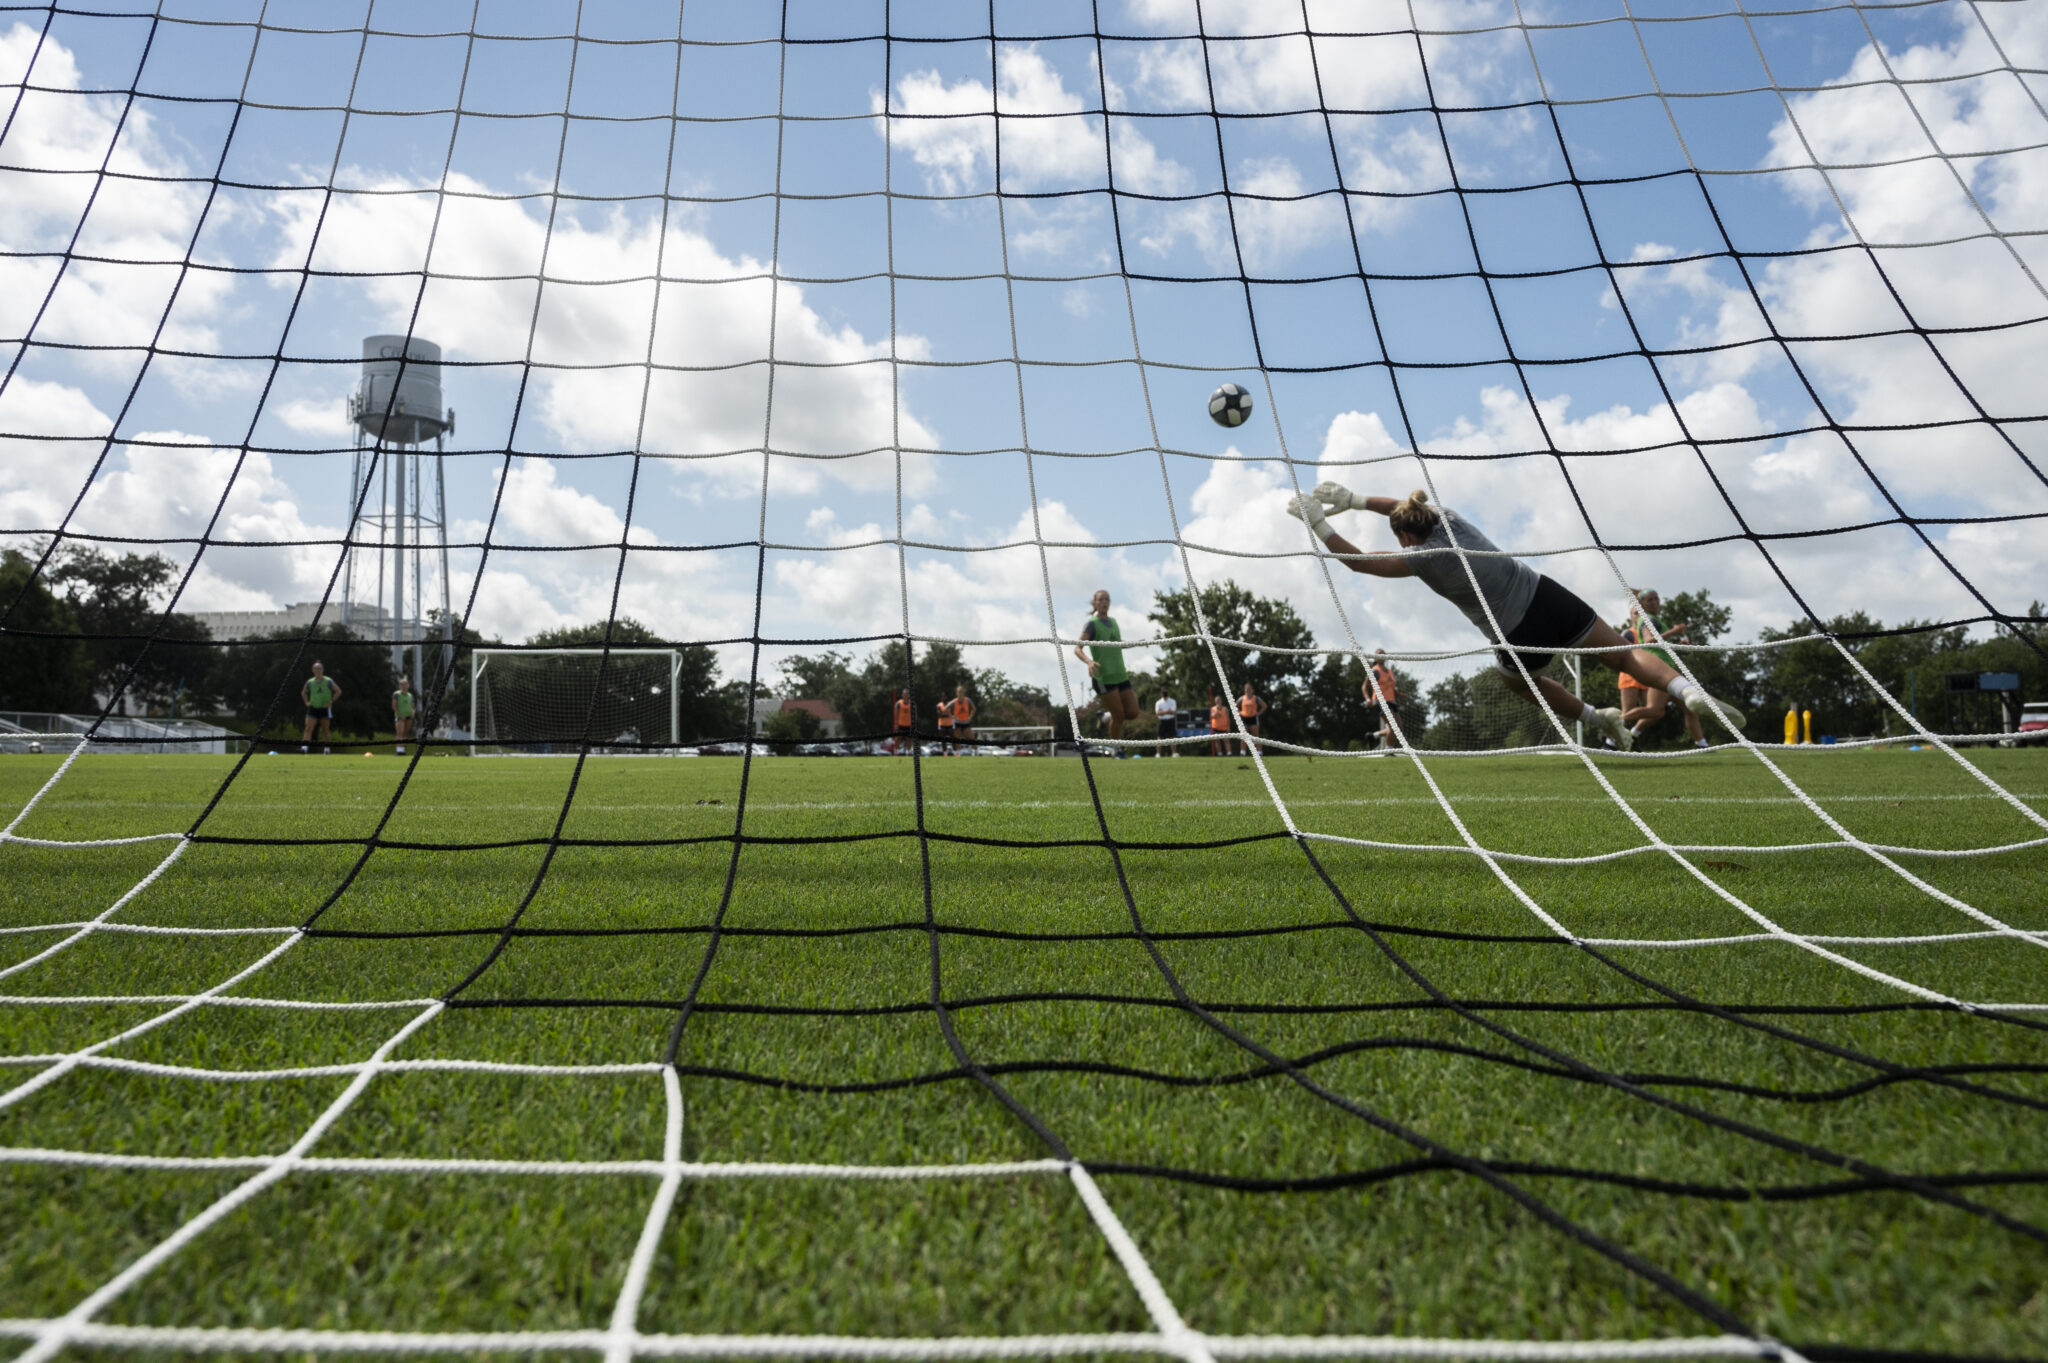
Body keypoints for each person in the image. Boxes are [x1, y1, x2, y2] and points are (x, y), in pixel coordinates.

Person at [1287, 485, 1743, 751]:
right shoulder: (1450, 519)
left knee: (1519, 684)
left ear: (1407, 535)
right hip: (1547, 594)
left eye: (1403, 537)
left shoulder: (1424, 557)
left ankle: (1596, 717)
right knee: (1623, 655)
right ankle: (1687, 690)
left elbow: (1361, 562)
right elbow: (1406, 509)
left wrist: (1321, 524)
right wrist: (1358, 499)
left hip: (1515, 631)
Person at [1620, 589, 1708, 749]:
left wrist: (1678, 644)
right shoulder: (1647, 620)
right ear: (1642, 605)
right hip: (1659, 669)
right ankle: (1617, 725)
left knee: (1690, 708)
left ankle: (1702, 745)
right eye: (1650, 600)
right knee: (1655, 711)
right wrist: (1674, 631)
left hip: (1668, 667)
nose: (1655, 603)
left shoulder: (1653, 619)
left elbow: (1660, 647)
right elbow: (1649, 641)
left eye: (1656, 599)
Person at [1074, 589, 1139, 755]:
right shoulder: (1092, 624)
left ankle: (1105, 717)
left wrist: (1135, 643)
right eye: (1101, 599)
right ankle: (1116, 750)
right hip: (1104, 678)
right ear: (1095, 603)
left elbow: (1116, 644)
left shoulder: (1114, 622)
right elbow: (1077, 648)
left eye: (1107, 599)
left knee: (1132, 713)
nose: (1104, 602)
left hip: (1121, 676)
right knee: (1119, 716)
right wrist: (1089, 661)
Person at [1362, 649, 1401, 750]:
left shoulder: (1389, 671)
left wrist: (1400, 695)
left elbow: (1391, 687)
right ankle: (1388, 750)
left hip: (1391, 701)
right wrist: (1367, 699)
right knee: (1393, 725)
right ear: (1375, 658)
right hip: (1380, 701)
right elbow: (1364, 686)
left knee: (1399, 727)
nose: (1382, 656)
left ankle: (1373, 736)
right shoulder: (1374, 670)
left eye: (1383, 654)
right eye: (1379, 654)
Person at [301, 661, 341, 753]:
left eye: (319, 669)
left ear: (322, 670)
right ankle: (304, 748)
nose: (317, 671)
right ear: (312, 670)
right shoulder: (310, 682)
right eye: (315, 669)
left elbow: (338, 691)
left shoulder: (328, 681)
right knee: (308, 728)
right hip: (313, 707)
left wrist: (331, 701)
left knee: (325, 730)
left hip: (324, 708)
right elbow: (303, 693)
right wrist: (307, 702)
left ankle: (327, 748)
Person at [1236, 682, 1266, 754]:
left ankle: (1259, 752)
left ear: (1252, 690)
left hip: (1253, 718)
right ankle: (1242, 752)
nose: (1247, 690)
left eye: (1249, 689)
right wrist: (1239, 712)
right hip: (1244, 718)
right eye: (1246, 689)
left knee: (1255, 736)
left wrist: (1259, 713)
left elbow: (1264, 706)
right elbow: (1235, 706)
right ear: (1244, 690)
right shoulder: (1241, 698)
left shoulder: (1256, 698)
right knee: (1243, 735)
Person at [391, 674, 415, 756]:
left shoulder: (410, 695)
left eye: (406, 684)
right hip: (400, 716)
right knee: (399, 733)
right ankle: (398, 750)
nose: (405, 686)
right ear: (400, 686)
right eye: (403, 684)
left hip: (408, 716)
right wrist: (400, 715)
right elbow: (394, 706)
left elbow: (412, 706)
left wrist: (412, 713)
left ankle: (403, 750)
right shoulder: (396, 694)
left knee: (405, 733)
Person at [949, 685, 976, 753]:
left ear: (963, 692)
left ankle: (975, 752)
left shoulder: (967, 700)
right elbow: (946, 709)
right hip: (957, 722)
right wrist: (951, 716)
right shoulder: (954, 701)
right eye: (959, 692)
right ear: (956, 693)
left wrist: (970, 717)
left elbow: (974, 709)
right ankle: (959, 753)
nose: (960, 693)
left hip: (966, 722)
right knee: (957, 739)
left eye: (961, 691)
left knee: (971, 738)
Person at [1154, 691, 1179, 756]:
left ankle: (1174, 753)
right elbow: (1158, 713)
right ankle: (1158, 754)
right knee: (1159, 737)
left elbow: (1173, 712)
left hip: (1170, 720)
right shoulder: (1158, 702)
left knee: (1172, 737)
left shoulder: (1172, 701)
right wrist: (1167, 711)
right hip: (1162, 721)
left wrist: (1162, 712)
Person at [892, 688, 914, 755]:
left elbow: (915, 714)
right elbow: (896, 714)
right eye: (904, 694)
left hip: (909, 724)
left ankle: (908, 752)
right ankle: (896, 751)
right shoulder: (898, 703)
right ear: (902, 695)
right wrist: (896, 723)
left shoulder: (912, 703)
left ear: (908, 695)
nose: (905, 695)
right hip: (900, 724)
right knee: (898, 738)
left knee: (909, 739)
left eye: (906, 694)